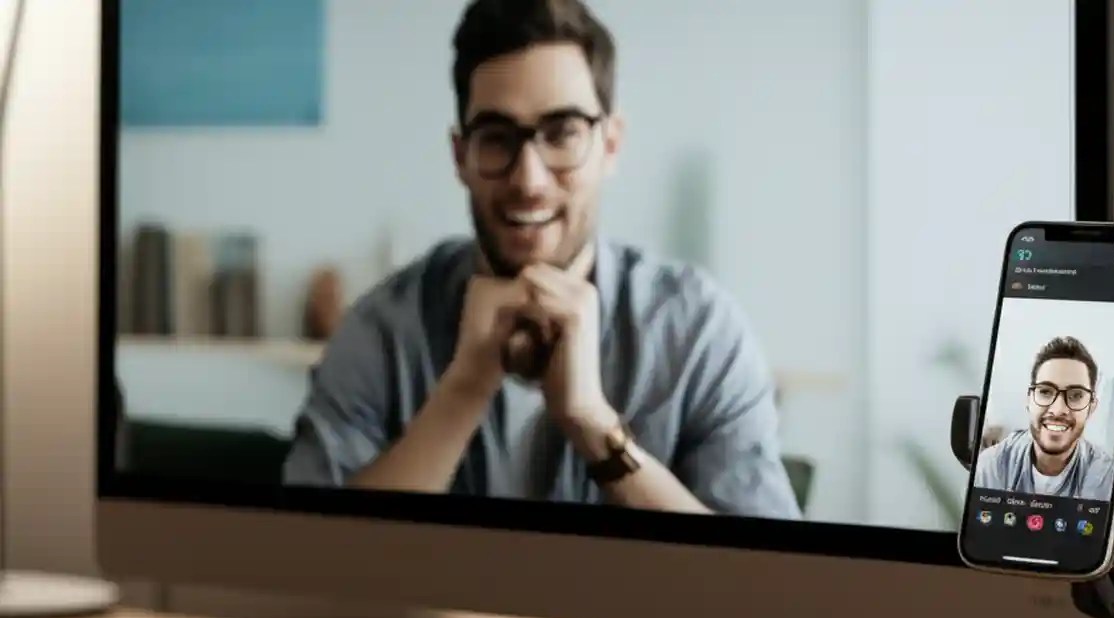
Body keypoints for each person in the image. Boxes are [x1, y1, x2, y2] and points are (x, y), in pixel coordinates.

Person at [281, 0, 801, 520]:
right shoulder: (380, 330)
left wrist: (594, 426)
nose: (529, 180)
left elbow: (771, 590)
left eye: (561, 133)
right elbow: (307, 562)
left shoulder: (699, 332)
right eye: (496, 139)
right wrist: (463, 389)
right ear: (460, 156)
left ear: (610, 145)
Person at [972, 336, 1114, 501]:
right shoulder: (992, 465)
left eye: (1076, 395)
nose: (1058, 410)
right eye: (1045, 392)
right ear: (1029, 399)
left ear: (1091, 407)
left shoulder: (1106, 476)